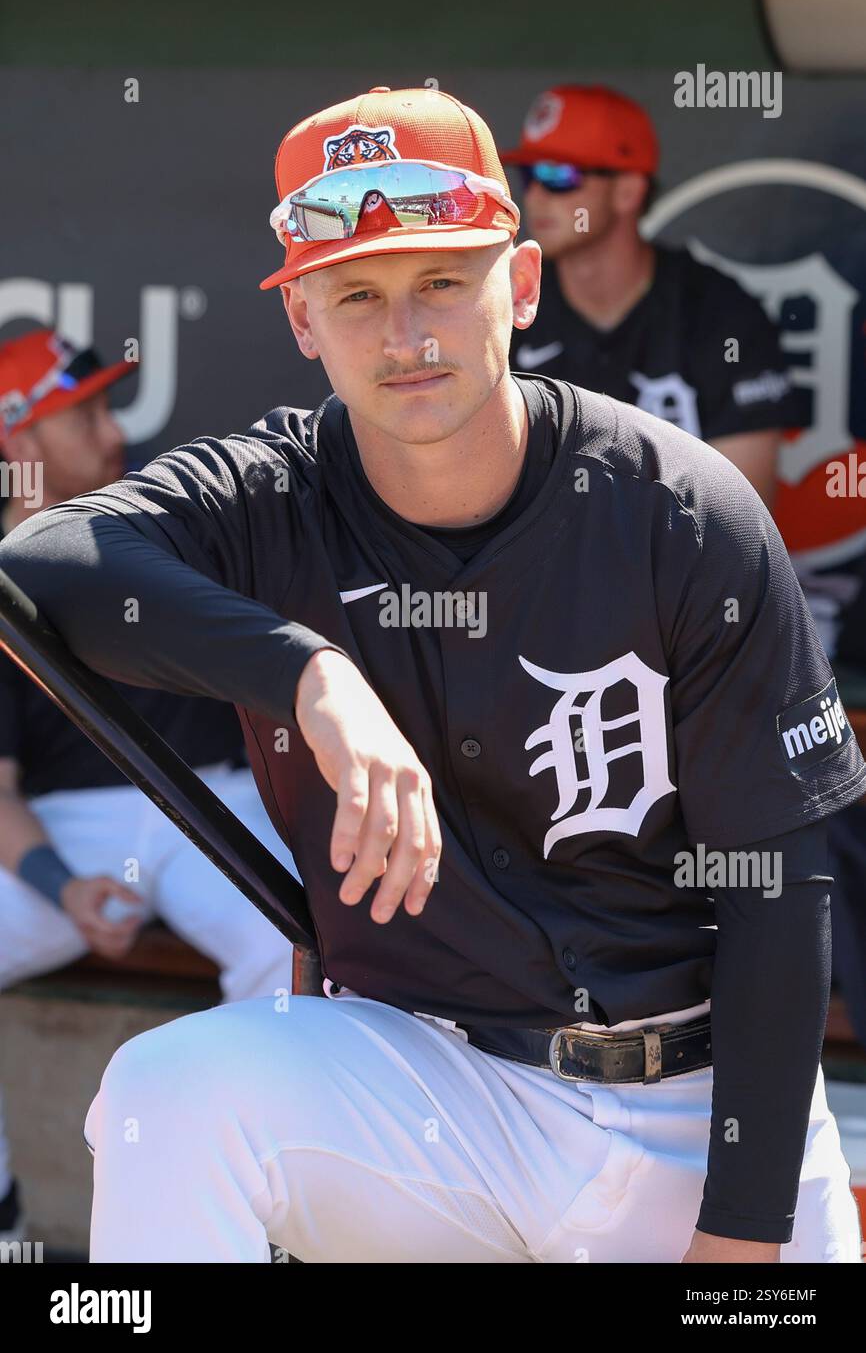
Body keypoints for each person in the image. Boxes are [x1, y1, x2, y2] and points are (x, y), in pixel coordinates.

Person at [0, 85, 863, 1265]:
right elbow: (42, 564)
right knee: (172, 1092)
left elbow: (778, 886)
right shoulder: (271, 497)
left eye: (438, 284)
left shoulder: (678, 511)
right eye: (356, 294)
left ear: (516, 284)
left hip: (695, 1101)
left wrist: (736, 1240)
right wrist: (307, 674)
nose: (403, 336)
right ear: (302, 318)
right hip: (430, 1089)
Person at [0, 329, 297, 1244]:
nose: (110, 427)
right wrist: (62, 886)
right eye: (79, 412)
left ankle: (274, 1222)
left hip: (210, 800)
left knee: (292, 951)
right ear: (16, 443)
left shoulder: (163, 520)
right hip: (71, 827)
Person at [501, 84, 805, 509]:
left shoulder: (721, 315)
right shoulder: (505, 306)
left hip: (678, 570)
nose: (534, 196)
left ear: (628, 191)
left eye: (558, 176)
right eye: (528, 175)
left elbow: (742, 519)